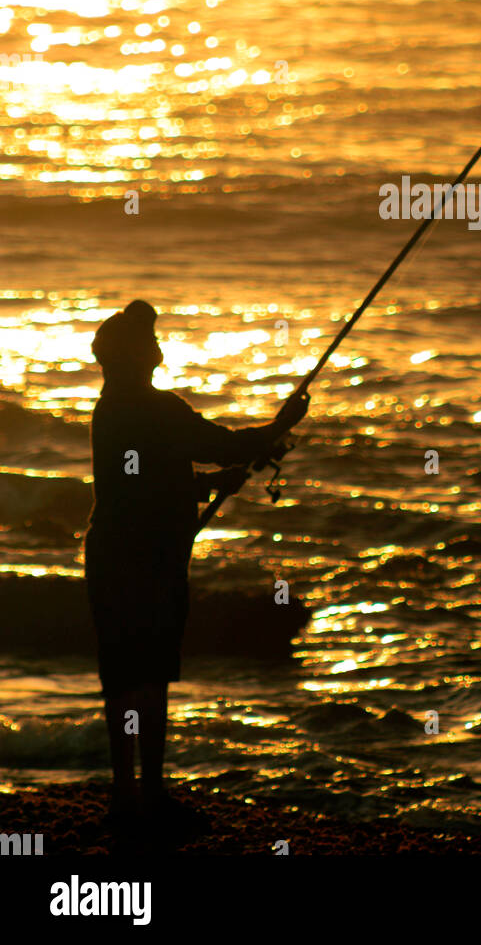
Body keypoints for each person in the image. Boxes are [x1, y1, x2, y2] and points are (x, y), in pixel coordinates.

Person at [84, 299, 309, 828]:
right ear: (138, 356)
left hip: (111, 552)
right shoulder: (157, 407)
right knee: (153, 672)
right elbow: (224, 445)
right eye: (150, 338)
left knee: (122, 674)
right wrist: (282, 423)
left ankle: (125, 796)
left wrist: (206, 485)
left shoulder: (111, 406)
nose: (160, 343)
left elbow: (138, 483)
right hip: (153, 558)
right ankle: (152, 796)